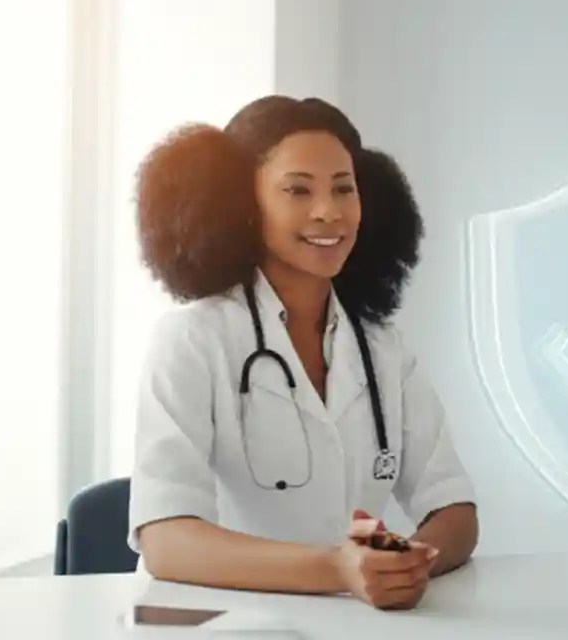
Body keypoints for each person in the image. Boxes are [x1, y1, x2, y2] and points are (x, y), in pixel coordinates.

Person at [127, 95, 478, 610]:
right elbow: (166, 542)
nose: (329, 211)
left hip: (347, 620)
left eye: (344, 188)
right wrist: (339, 569)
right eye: (297, 189)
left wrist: (409, 561)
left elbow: (455, 510)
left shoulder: (380, 347)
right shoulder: (191, 340)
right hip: (213, 620)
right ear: (243, 206)